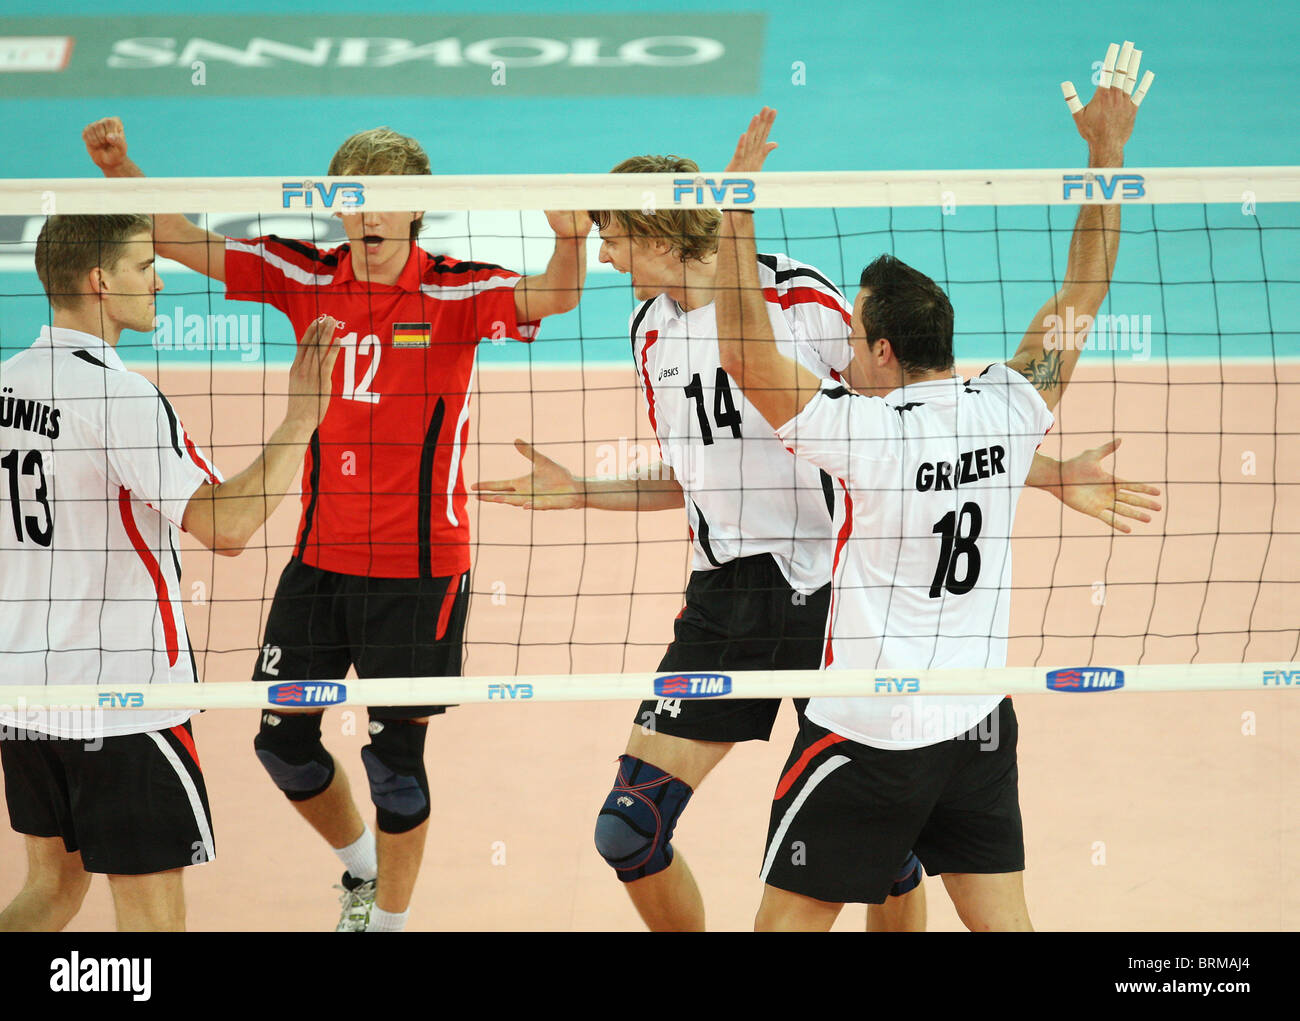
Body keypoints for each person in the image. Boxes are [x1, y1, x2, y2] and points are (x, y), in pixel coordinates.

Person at [472, 127, 1159, 929]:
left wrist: (1035, 473)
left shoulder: (800, 302)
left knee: (890, 852)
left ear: (658, 234)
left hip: (840, 593)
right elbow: (900, 433)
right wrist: (584, 491)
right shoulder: (648, 331)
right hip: (730, 600)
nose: (605, 257)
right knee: (629, 828)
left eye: (614, 237)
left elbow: (892, 426)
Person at [83, 117, 590, 931]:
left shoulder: (455, 289)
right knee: (281, 743)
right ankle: (362, 869)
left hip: (422, 568)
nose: (371, 218)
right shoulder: (303, 271)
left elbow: (557, 296)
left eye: (387, 204)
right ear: (339, 211)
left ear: (418, 210)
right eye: (356, 204)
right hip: (319, 562)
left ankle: (387, 921)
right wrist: (123, 169)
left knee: (395, 766)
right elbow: (178, 238)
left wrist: (569, 243)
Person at [712, 48, 1151, 931]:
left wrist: (733, 212)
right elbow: (1083, 293)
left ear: (882, 353)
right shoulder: (1007, 406)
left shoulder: (866, 432)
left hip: (869, 736)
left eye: (853, 337)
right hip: (978, 724)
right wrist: (1107, 158)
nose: (839, 353)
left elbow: (747, 359)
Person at [0, 213, 339, 931]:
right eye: (144, 264)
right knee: (152, 926)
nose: (160, 279)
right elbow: (228, 524)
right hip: (124, 703)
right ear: (100, 281)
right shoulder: (121, 397)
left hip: (24, 696)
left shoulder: (5, 384)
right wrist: (300, 421)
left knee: (51, 890)